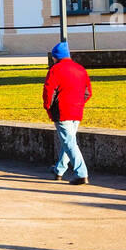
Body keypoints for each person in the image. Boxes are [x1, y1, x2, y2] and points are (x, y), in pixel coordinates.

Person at [42, 41, 93, 185]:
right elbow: (88, 92)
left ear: (56, 57)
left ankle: (82, 173)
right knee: (69, 141)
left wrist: (48, 107)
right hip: (77, 110)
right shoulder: (81, 69)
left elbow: (48, 92)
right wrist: (79, 103)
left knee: (69, 142)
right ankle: (59, 170)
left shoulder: (55, 70)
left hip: (62, 111)